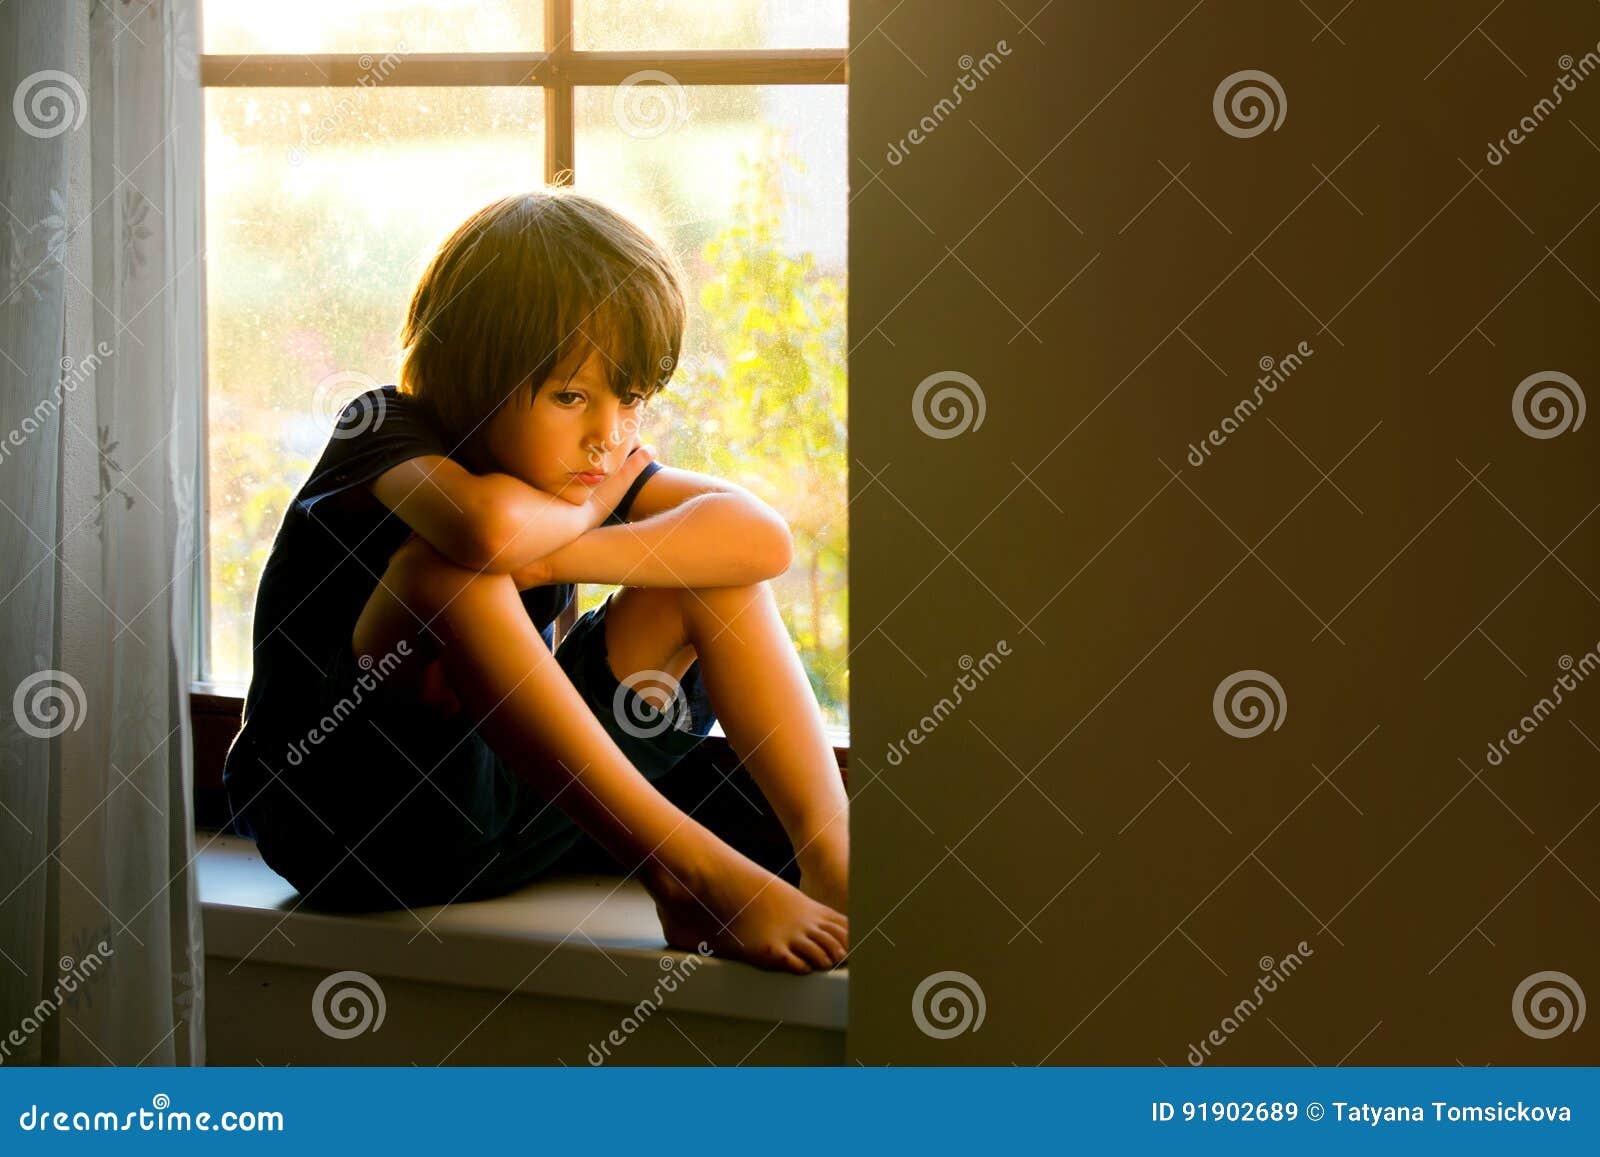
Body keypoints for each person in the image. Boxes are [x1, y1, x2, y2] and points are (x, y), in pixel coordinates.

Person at [220, 190, 848, 974]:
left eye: (633, 398)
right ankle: (690, 868)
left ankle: (836, 861)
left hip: (516, 819)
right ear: (470, 372)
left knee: (706, 574)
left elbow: (759, 539)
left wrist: (551, 558)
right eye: (572, 396)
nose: (609, 434)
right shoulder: (385, 427)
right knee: (444, 575)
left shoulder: (586, 461)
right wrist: (583, 519)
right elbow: (484, 530)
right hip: (353, 827)